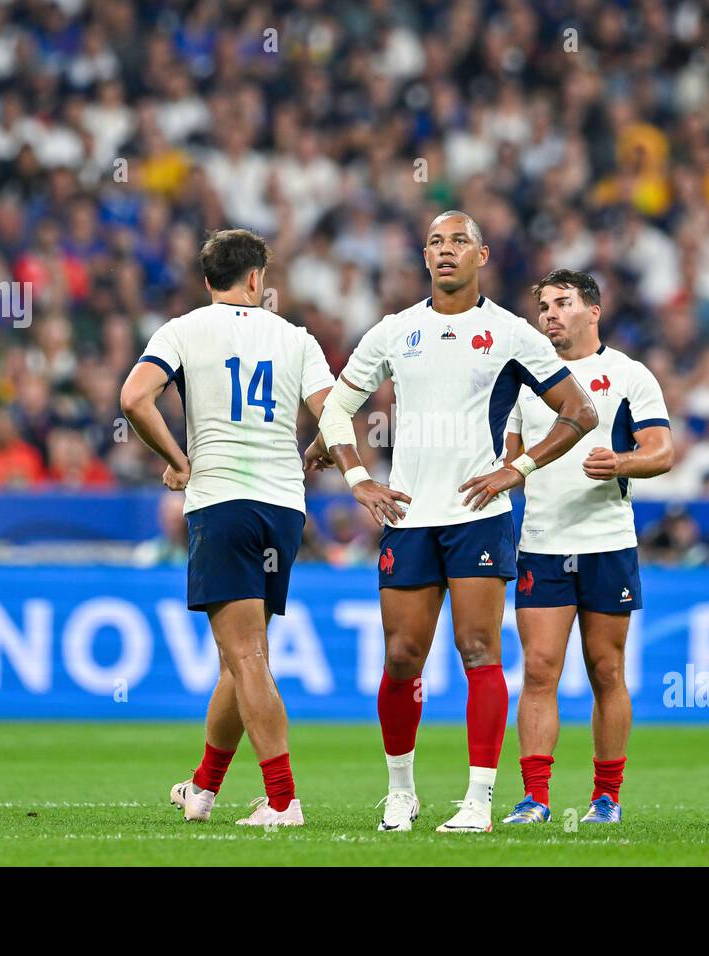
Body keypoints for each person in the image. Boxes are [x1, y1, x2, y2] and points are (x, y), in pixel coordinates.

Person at [309, 211, 598, 832]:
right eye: (436, 242)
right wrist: (358, 478)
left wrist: (516, 468)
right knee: (402, 656)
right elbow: (335, 407)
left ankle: (478, 803)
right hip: (409, 516)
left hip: (478, 515)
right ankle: (400, 793)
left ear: (482, 255)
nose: (446, 251)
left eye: (458, 241)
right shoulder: (394, 331)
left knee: (478, 651)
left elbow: (581, 412)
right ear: (425, 256)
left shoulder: (513, 334)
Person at [120, 228, 335, 827]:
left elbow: (135, 397)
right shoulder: (297, 337)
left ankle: (284, 799)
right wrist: (319, 451)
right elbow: (336, 410)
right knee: (240, 662)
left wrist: (178, 460)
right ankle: (203, 789)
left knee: (245, 658)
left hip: (222, 503)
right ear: (257, 280)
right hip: (284, 509)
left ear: (208, 280)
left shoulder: (184, 329)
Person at [500, 270, 672, 825]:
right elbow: (511, 460)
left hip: (606, 542)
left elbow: (663, 451)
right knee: (540, 668)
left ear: (593, 311)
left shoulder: (628, 375)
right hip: (543, 542)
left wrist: (621, 462)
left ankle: (607, 798)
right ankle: (535, 798)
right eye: (543, 305)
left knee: (606, 670)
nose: (550, 313)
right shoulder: (525, 381)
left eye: (562, 303)